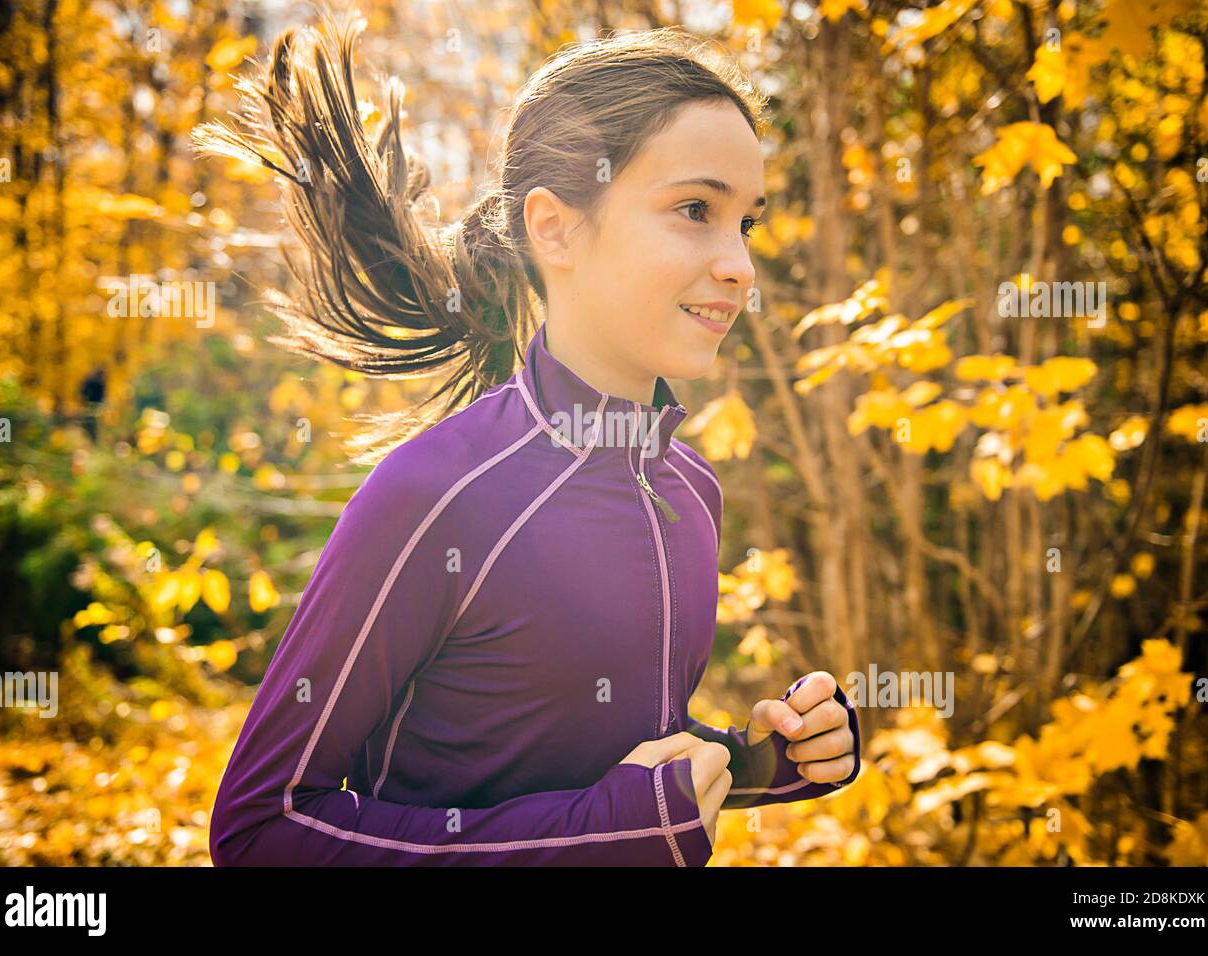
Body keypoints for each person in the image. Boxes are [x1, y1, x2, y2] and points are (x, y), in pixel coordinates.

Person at [201, 10, 860, 867]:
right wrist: (602, 838)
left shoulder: (692, 489)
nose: (740, 263)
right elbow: (259, 832)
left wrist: (761, 758)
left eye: (748, 222)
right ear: (554, 227)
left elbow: (611, 762)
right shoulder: (437, 495)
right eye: (696, 209)